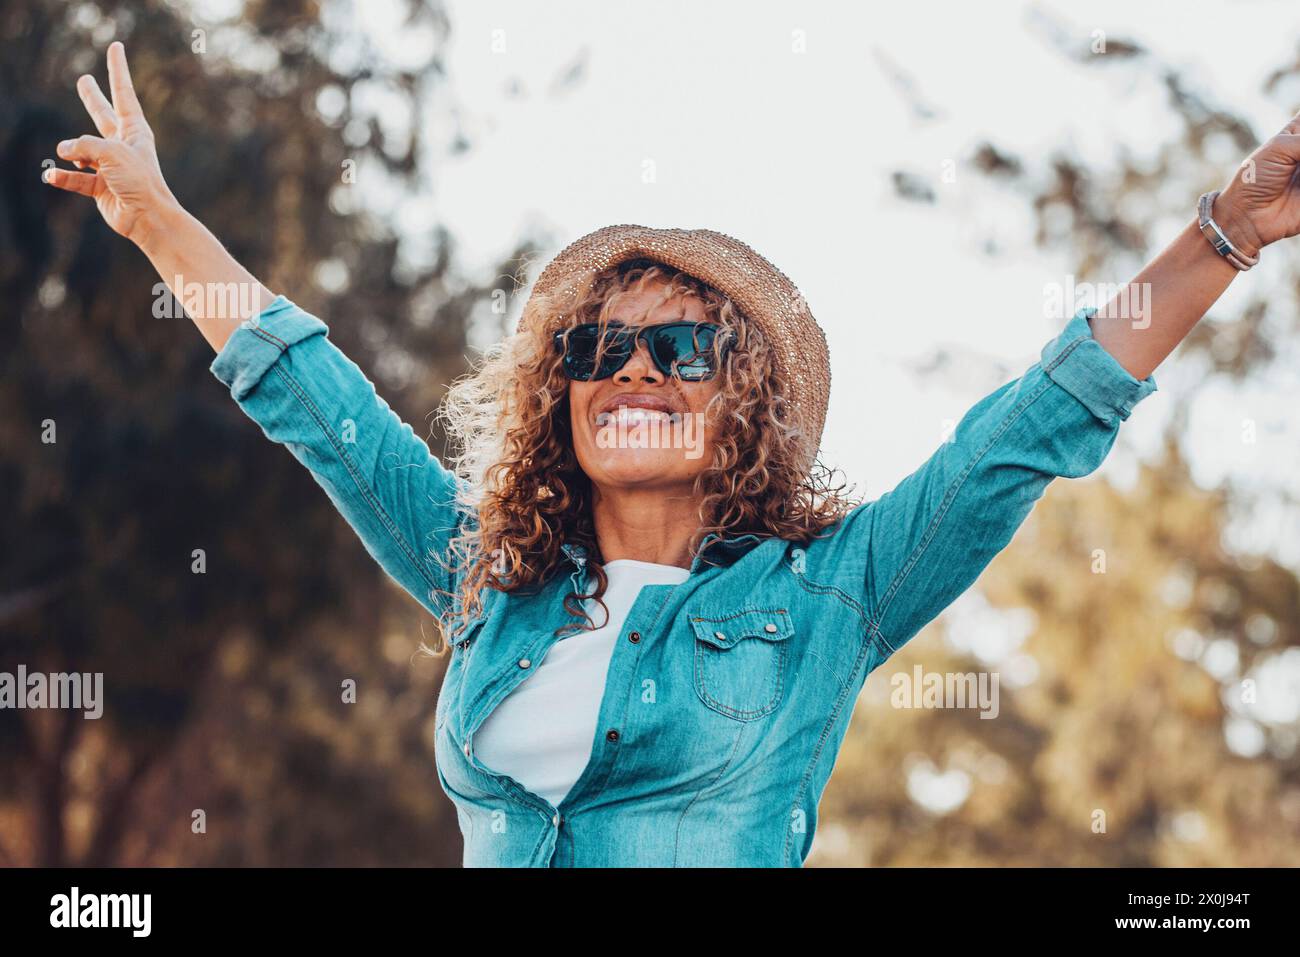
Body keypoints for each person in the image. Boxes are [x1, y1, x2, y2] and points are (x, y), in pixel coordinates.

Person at [45, 42, 1300, 867]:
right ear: (563, 395)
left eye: (686, 348)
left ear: (741, 403)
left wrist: (1222, 233)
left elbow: (1034, 423)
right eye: (599, 347)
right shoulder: (484, 585)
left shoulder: (829, 601)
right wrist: (157, 221)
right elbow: (318, 403)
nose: (635, 369)